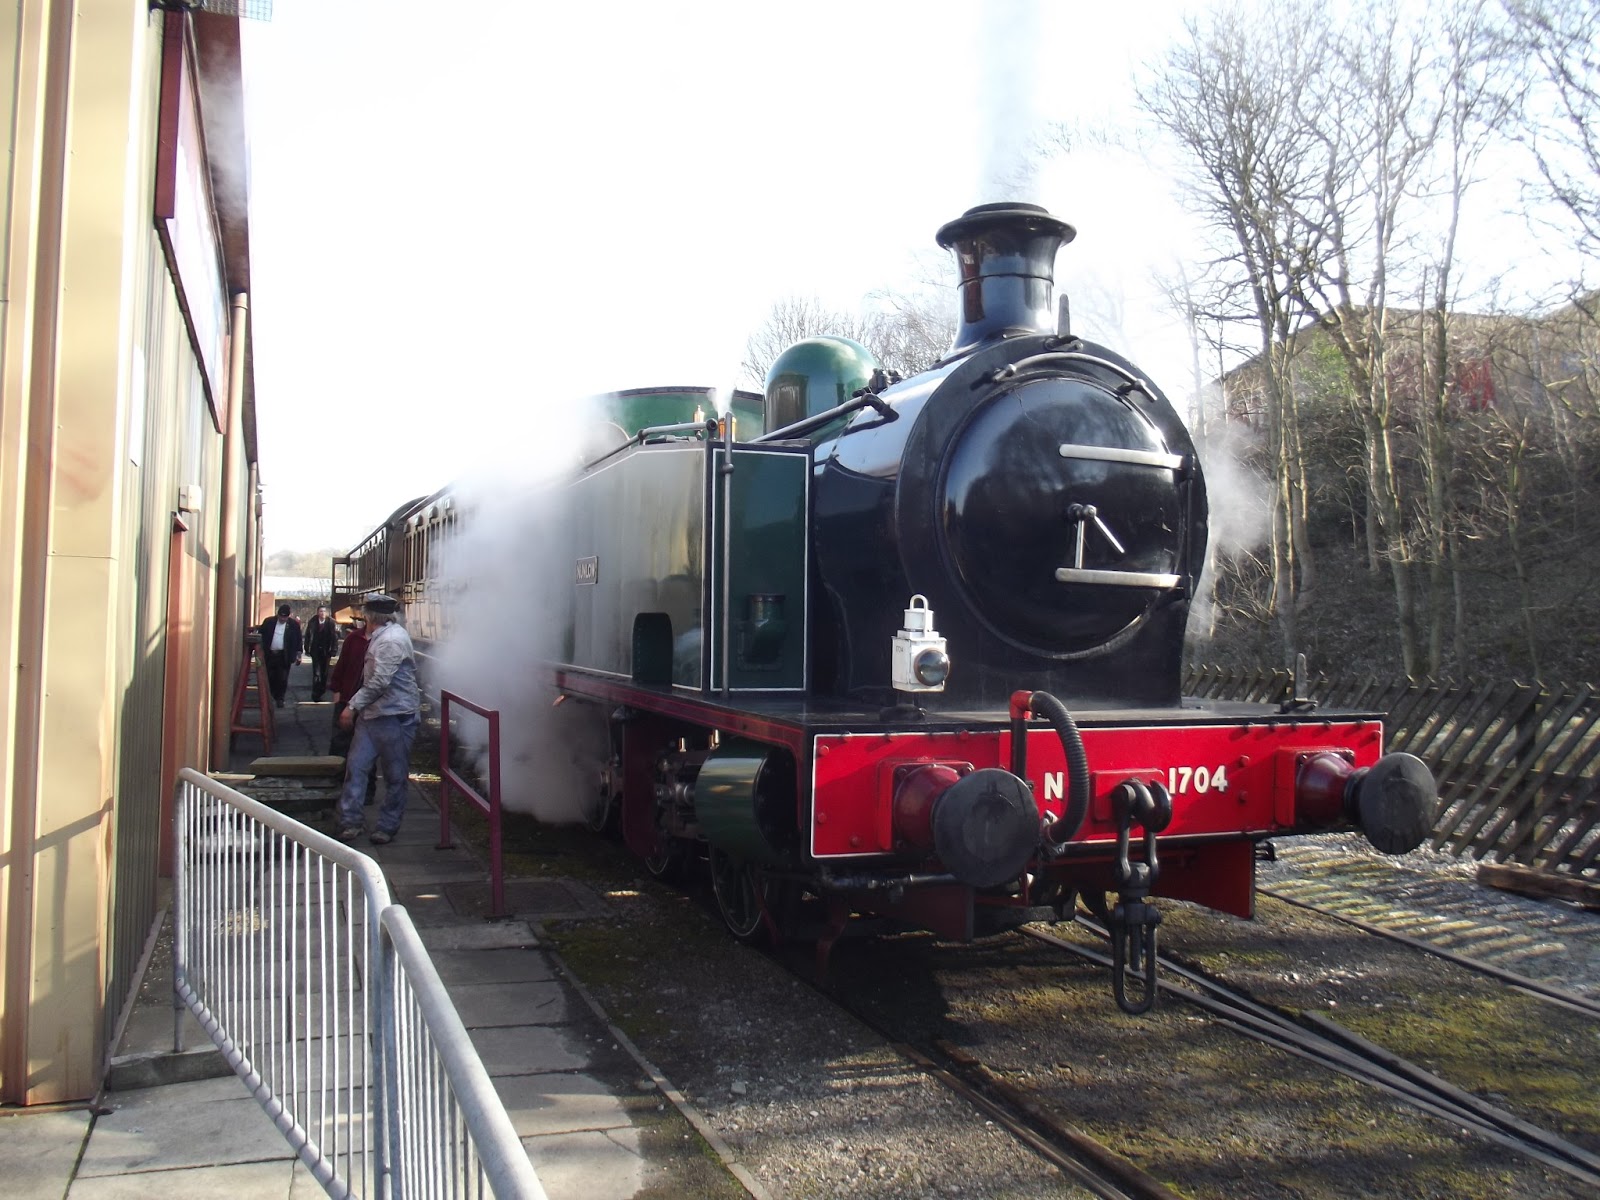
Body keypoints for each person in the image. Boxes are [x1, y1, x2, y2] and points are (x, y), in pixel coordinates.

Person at [335, 595, 421, 845]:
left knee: (394, 774)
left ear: (371, 617)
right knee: (357, 768)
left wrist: (351, 706)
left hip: (394, 716)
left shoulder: (390, 642)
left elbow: (379, 682)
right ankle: (351, 820)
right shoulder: (383, 637)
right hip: (375, 715)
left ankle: (386, 825)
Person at [327, 615, 369, 758]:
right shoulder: (354, 638)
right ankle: (337, 774)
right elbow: (342, 665)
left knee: (366, 746)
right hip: (348, 696)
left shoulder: (386, 641)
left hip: (370, 702)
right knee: (341, 740)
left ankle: (366, 778)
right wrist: (337, 690)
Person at [257, 603, 303, 709]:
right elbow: (261, 636)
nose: (282, 619)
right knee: (270, 677)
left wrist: (298, 654)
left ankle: (280, 698)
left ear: (288, 616)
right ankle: (272, 695)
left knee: (282, 678)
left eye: (284, 617)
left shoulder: (293, 625)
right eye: (280, 616)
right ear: (277, 615)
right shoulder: (269, 622)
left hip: (284, 656)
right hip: (270, 654)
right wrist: (259, 651)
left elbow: (298, 640)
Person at [304, 604, 338, 702]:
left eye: (324, 611)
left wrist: (333, 649)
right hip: (315, 650)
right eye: (320, 611)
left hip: (326, 651)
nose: (322, 613)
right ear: (317, 612)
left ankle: (321, 690)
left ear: (326, 613)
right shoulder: (313, 622)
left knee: (324, 673)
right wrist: (307, 648)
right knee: (316, 672)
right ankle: (315, 693)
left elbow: (334, 637)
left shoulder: (331, 623)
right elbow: (308, 635)